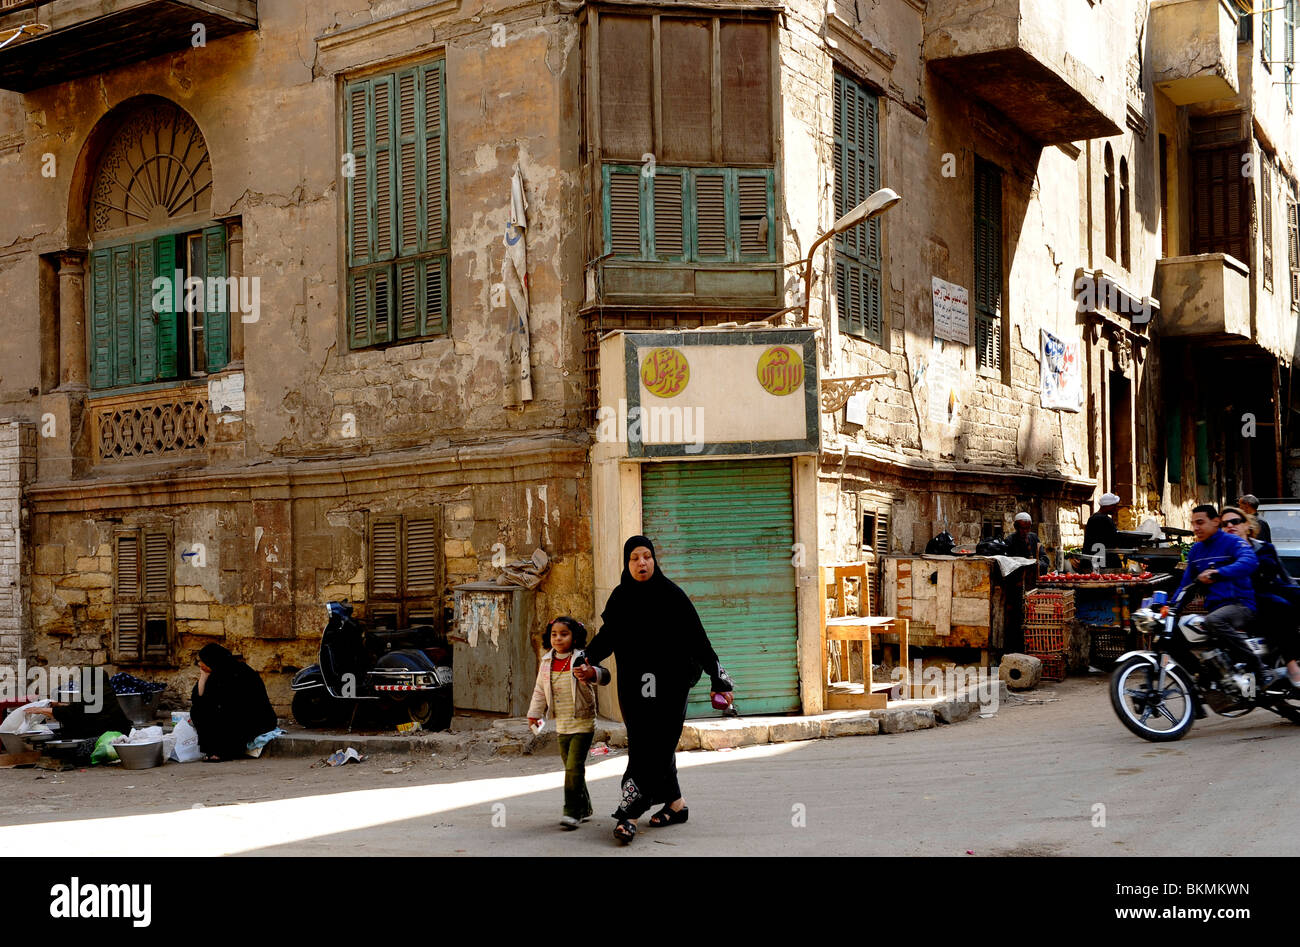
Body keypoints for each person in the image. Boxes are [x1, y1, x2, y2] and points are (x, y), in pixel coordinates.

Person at [573, 535, 734, 845]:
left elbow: (699, 640)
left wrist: (719, 678)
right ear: (627, 562)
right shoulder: (621, 598)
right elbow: (607, 637)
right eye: (635, 558)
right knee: (648, 744)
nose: (642, 562)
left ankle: (629, 813)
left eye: (646, 556)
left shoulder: (672, 595)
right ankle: (676, 804)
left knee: (652, 747)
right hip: (634, 687)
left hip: (672, 685)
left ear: (654, 560)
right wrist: (587, 657)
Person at [1177, 504, 1276, 689]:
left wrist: (1219, 573)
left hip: (1241, 605)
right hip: (1216, 609)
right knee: (1178, 629)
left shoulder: (1232, 542)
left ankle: (1260, 668)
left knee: (1214, 620)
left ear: (1215, 522)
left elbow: (1249, 561)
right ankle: (1206, 677)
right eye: (1193, 524)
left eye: (1200, 522)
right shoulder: (1196, 551)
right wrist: (1169, 607)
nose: (1196, 528)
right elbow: (1185, 585)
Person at [528, 616, 597, 830]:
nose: (558, 638)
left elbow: (603, 676)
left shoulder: (582, 658)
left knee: (573, 768)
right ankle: (584, 807)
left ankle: (571, 812)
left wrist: (590, 673)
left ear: (574, 637)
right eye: (554, 634)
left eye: (564, 634)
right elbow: (540, 690)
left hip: (583, 720)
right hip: (563, 724)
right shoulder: (547, 661)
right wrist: (535, 713)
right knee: (571, 768)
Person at [1220, 506, 1300, 686]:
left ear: (1247, 525)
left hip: (1277, 588)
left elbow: (1284, 574)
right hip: (1251, 597)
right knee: (1280, 607)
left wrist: (1294, 589)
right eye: (1225, 524)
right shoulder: (1226, 554)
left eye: (1235, 521)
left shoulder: (1265, 547)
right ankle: (1291, 665)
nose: (1230, 526)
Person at [189, 644, 278, 761]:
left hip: (253, 717)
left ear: (213, 661)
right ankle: (211, 750)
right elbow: (198, 698)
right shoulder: (214, 673)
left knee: (225, 714)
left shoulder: (241, 673)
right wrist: (203, 677)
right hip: (227, 712)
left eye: (202, 661)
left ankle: (225, 751)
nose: (200, 664)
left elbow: (238, 705)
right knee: (198, 711)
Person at [1083, 493, 1122, 568]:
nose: (1116, 508)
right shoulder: (1106, 520)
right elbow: (1115, 539)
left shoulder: (1092, 518)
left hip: (1091, 559)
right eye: (1114, 506)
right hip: (1104, 561)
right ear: (1108, 506)